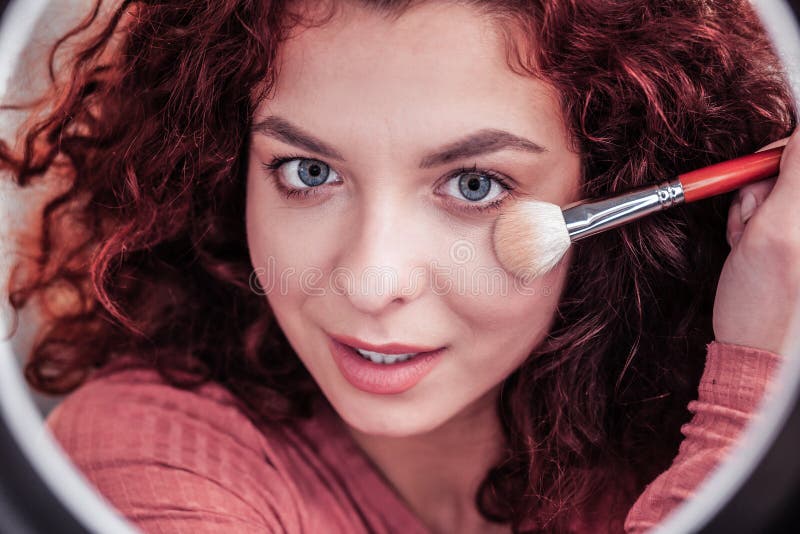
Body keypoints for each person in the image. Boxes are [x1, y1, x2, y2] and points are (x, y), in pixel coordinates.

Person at [2, 0, 797, 532]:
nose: (371, 281)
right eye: (308, 172)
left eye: (474, 185)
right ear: (221, 166)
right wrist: (747, 392)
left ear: (613, 183)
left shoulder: (660, 438)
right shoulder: (150, 461)